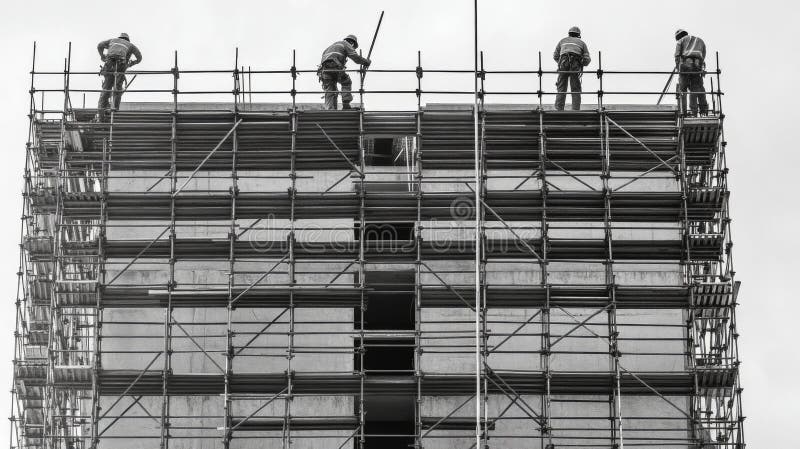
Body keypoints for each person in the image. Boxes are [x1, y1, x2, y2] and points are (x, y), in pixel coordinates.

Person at [318, 35, 371, 110]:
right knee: (346, 82)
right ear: (352, 43)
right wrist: (366, 62)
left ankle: (330, 109)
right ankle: (346, 105)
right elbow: (355, 57)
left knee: (330, 89)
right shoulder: (346, 44)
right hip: (335, 66)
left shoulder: (330, 47)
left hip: (324, 70)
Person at [96, 33, 142, 117]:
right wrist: (131, 63)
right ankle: (115, 109)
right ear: (127, 39)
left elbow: (99, 45)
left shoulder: (112, 40)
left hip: (109, 63)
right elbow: (139, 58)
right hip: (121, 64)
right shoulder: (130, 45)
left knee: (106, 88)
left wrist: (102, 56)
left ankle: (101, 112)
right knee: (117, 88)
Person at [553, 26, 591, 111]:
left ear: (569, 34)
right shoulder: (582, 43)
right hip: (575, 65)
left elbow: (555, 56)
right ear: (578, 35)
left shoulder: (562, 41)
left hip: (563, 64)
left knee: (561, 87)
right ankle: (576, 110)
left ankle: (559, 109)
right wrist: (581, 64)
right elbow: (587, 60)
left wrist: (560, 63)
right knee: (575, 88)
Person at [674, 29, 709, 116]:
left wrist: (678, 68)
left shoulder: (681, 41)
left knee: (683, 90)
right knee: (696, 89)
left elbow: (677, 55)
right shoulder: (700, 40)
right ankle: (699, 111)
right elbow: (703, 55)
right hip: (697, 66)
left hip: (685, 65)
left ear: (679, 37)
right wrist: (699, 66)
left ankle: (683, 113)